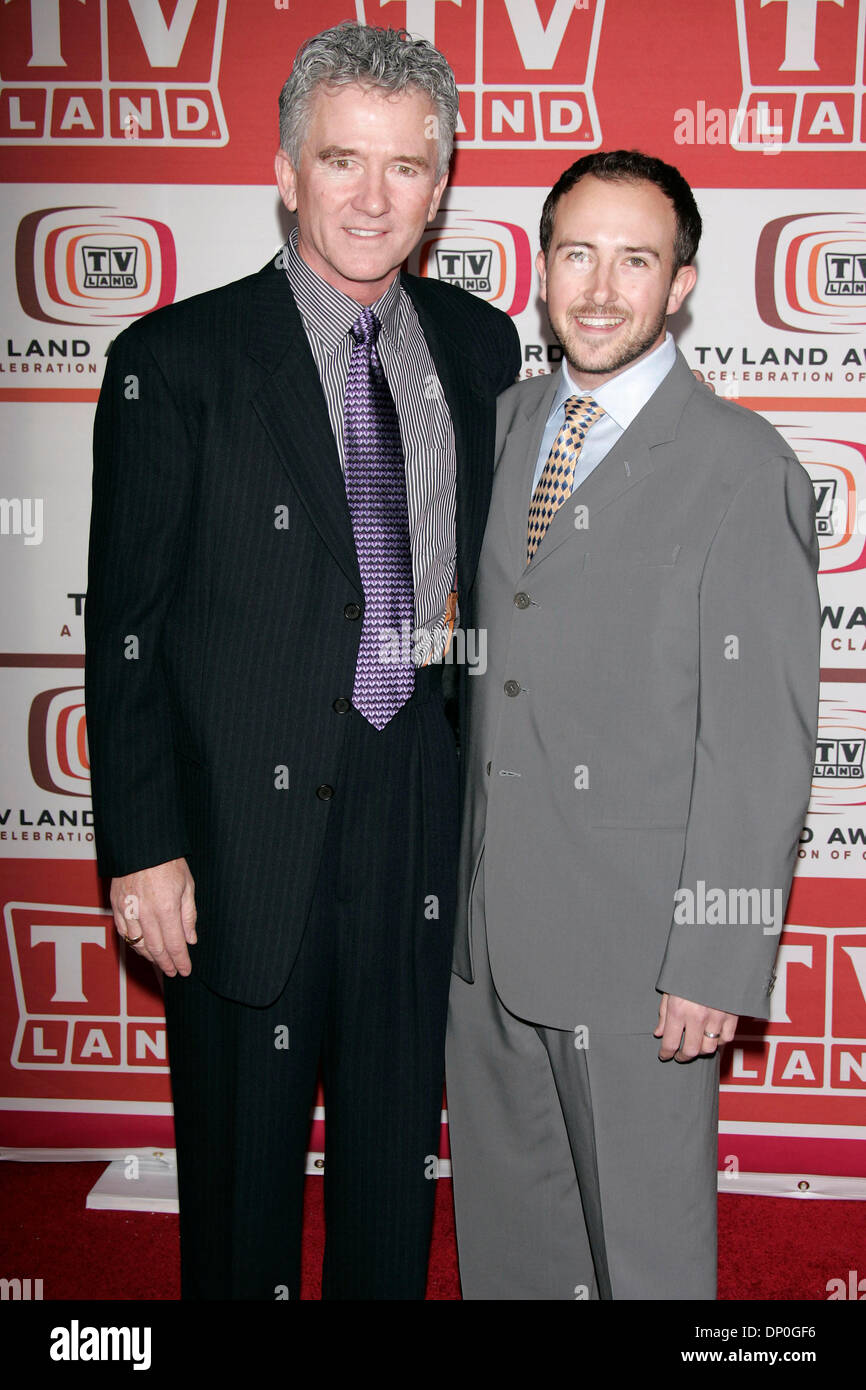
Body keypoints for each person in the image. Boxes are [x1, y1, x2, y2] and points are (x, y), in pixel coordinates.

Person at [85, 21, 520, 1301]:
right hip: (235, 839)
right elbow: (126, 629)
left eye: (404, 168)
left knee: (395, 1175)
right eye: (342, 161)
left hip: (418, 813)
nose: (372, 199)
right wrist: (141, 844)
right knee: (240, 1186)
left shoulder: (481, 347)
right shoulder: (172, 364)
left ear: (439, 187)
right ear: (284, 170)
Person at [445, 149, 819, 1300]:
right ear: (541, 266)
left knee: (648, 1266)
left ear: (681, 283)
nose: (600, 289)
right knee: (513, 1255)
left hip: (643, 955)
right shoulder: (495, 426)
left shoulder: (741, 466)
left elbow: (761, 745)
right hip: (486, 939)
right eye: (576, 254)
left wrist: (713, 955)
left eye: (635, 260)